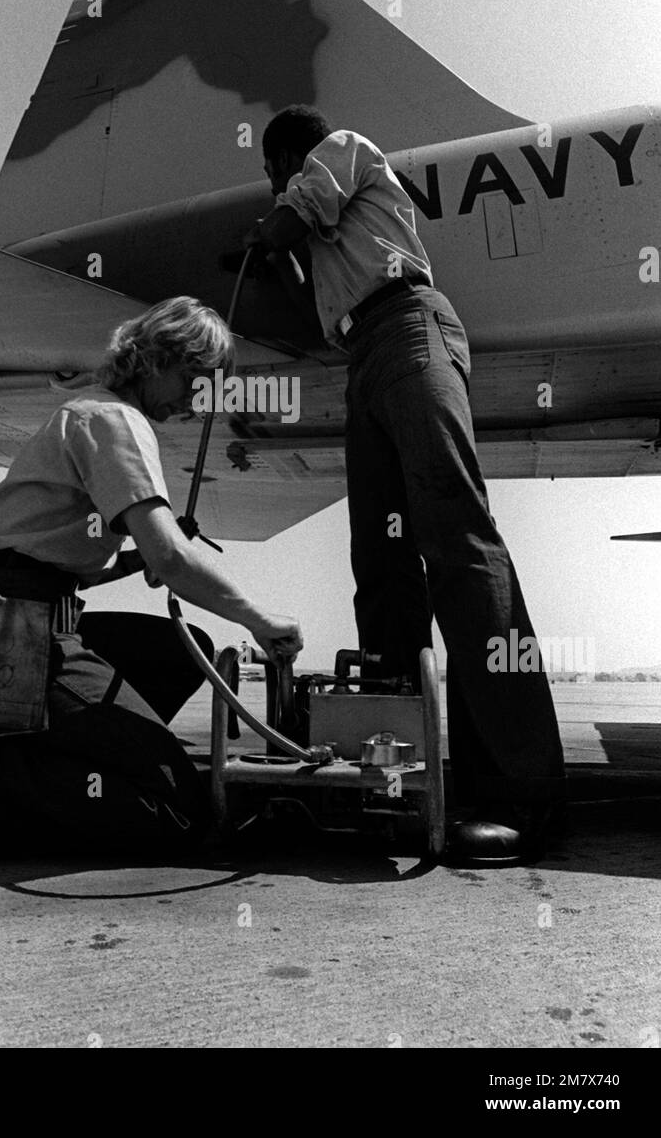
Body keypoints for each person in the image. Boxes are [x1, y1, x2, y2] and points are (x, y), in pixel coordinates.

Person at [0, 296, 303, 868]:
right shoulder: (113, 420)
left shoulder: (89, 413)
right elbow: (170, 560)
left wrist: (132, 560)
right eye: (196, 380)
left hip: (11, 614)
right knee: (179, 815)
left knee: (182, 649)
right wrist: (258, 618)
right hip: (25, 636)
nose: (199, 404)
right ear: (155, 359)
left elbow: (53, 559)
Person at [247, 105, 566, 864]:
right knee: (382, 566)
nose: (273, 185)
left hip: (409, 326)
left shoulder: (343, 150)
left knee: (455, 537)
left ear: (291, 153)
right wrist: (278, 261)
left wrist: (268, 236)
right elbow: (307, 301)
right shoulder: (321, 234)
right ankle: (399, 783)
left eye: (271, 170)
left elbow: (299, 210)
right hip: (362, 357)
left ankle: (523, 796)